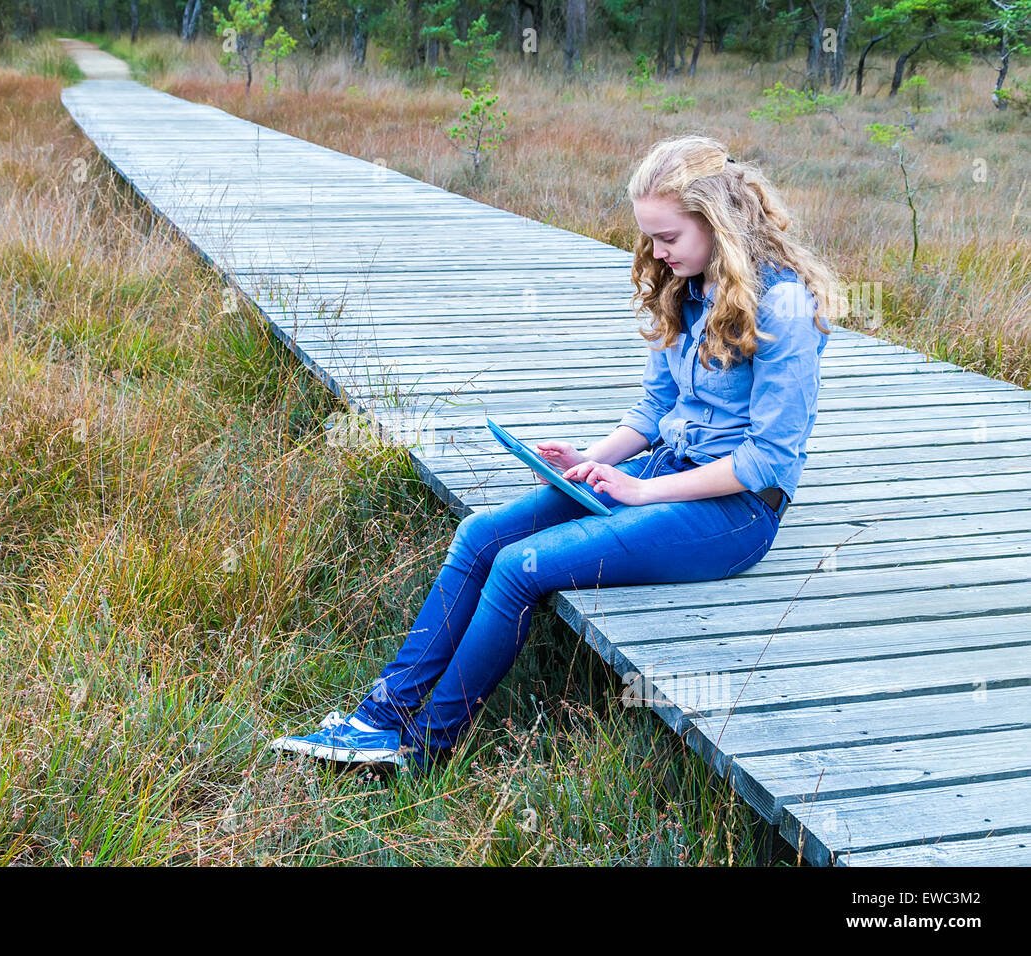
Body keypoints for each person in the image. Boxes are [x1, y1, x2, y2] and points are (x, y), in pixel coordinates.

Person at [268, 134, 838, 778]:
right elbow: (653, 411)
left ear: (718, 222)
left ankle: (420, 750)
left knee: (521, 566)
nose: (656, 252)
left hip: (734, 511)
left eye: (669, 236)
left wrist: (640, 491)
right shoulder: (683, 284)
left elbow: (769, 460)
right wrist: (588, 461)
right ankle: (380, 716)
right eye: (650, 236)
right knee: (480, 534)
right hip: (664, 469)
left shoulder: (783, 305)